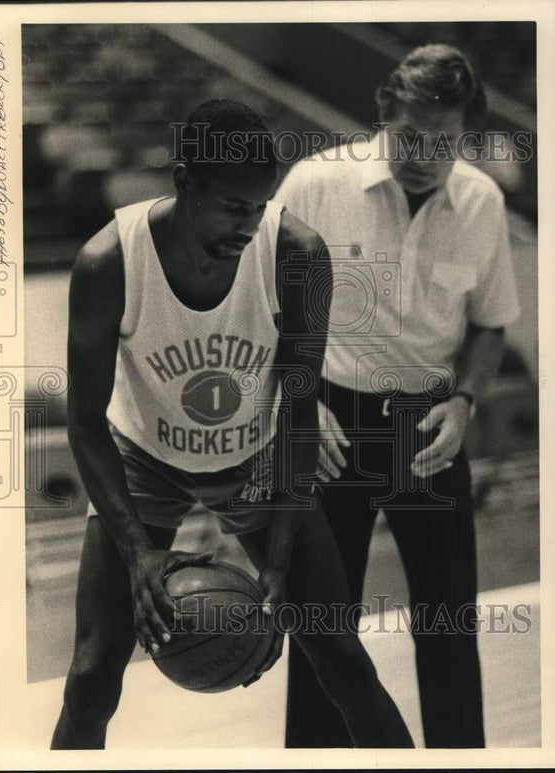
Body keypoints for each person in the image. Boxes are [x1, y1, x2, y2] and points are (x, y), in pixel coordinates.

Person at [50, 99, 414, 750]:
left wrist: (276, 561)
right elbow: (83, 421)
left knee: (341, 657)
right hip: (144, 460)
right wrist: (138, 556)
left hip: (257, 459)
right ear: (185, 181)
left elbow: (300, 409)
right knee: (92, 673)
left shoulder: (296, 253)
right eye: (231, 207)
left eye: (258, 207)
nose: (247, 225)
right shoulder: (110, 260)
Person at [276, 45, 520, 748]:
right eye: (412, 135)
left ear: (466, 136)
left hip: (427, 423)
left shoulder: (481, 201)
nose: (425, 154)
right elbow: (259, 304)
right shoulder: (315, 182)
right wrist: (299, 400)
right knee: (324, 632)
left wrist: (467, 401)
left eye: (444, 142)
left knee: (449, 624)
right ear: (386, 113)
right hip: (327, 418)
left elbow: (491, 324)